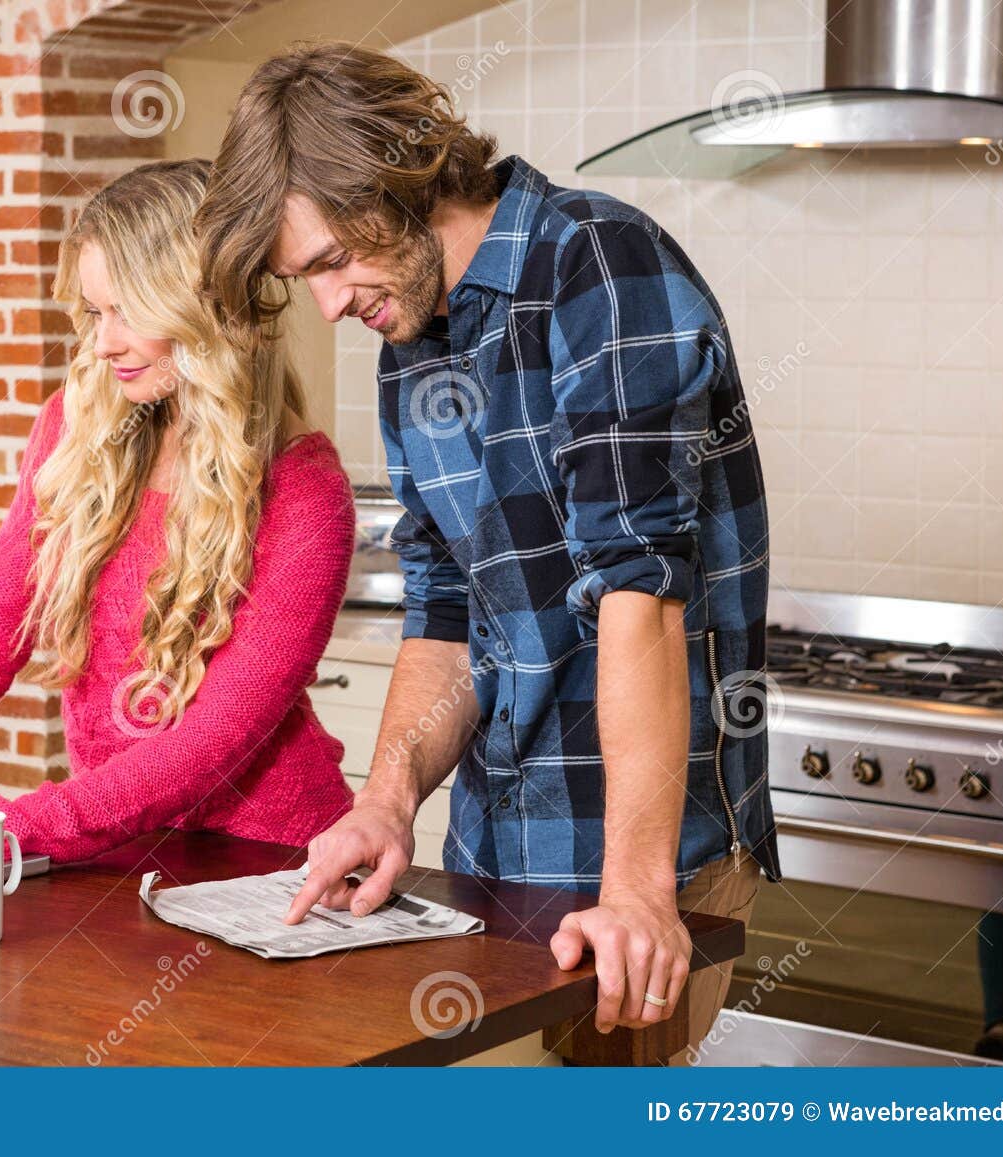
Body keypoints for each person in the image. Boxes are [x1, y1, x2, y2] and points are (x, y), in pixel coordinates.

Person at [194, 43, 780, 1060]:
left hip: (640, 868)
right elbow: (449, 611)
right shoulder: (410, 346)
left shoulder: (599, 265)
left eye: (332, 260)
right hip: (493, 859)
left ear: (399, 181)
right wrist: (384, 804)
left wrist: (634, 893)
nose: (330, 304)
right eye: (307, 279)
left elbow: (637, 590)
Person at [0, 159, 356, 870]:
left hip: (263, 861)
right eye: (95, 311)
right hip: (119, 846)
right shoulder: (75, 429)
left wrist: (11, 823)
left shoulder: (304, 489)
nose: (104, 343)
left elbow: (217, 735)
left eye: (131, 311)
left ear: (208, 308)